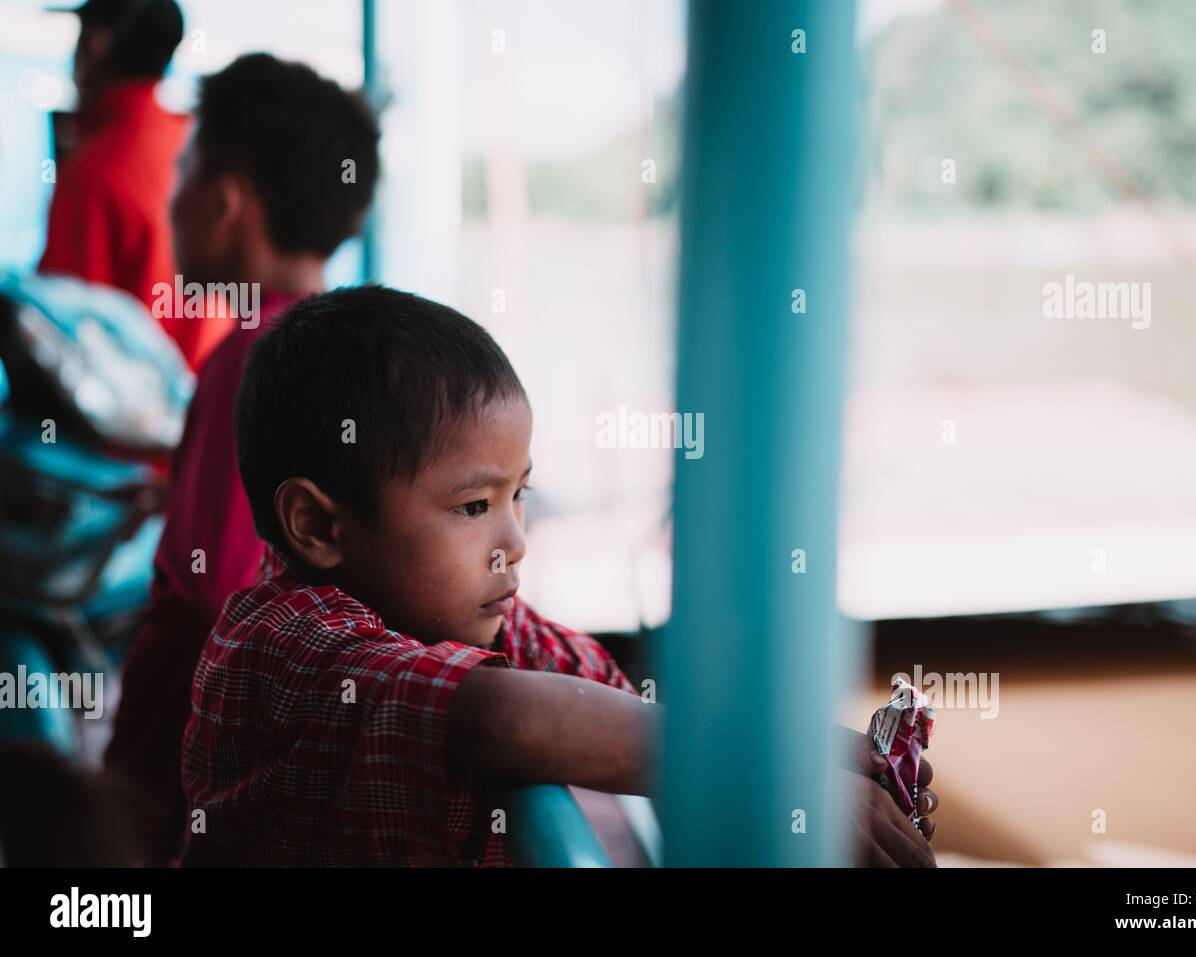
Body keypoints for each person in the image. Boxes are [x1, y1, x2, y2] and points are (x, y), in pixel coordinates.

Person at [180, 286, 939, 867]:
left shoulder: (455, 609)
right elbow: (506, 716)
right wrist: (767, 781)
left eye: (520, 495)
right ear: (318, 525)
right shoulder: (284, 643)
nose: (515, 540)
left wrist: (812, 750)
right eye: (475, 504)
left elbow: (599, 690)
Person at [104, 53, 381, 862]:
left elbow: (210, 599)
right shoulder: (352, 353)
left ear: (225, 200)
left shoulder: (254, 358)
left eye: (183, 166)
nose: (171, 192)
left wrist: (135, 792)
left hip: (179, 793)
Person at [36, 0, 229, 368]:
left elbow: (63, 343)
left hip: (126, 420)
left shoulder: (92, 173)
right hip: (201, 399)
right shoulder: (193, 146)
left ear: (97, 45)